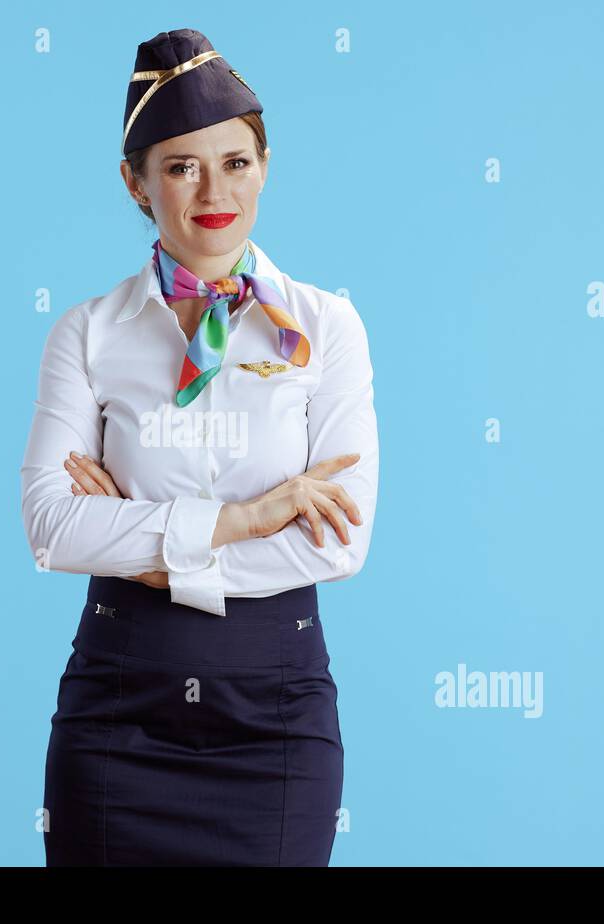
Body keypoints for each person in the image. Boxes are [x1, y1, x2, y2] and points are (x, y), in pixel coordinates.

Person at [20, 27, 379, 866]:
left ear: (265, 166)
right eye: (180, 166)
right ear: (135, 184)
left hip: (277, 719)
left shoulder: (326, 328)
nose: (213, 191)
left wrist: (144, 545)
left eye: (236, 162)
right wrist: (251, 519)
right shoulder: (85, 334)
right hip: (116, 715)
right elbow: (49, 528)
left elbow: (342, 538)